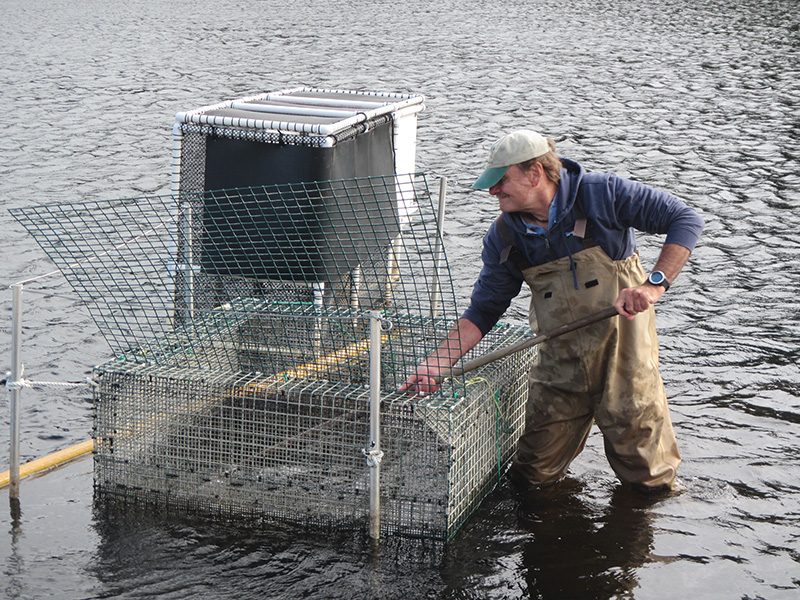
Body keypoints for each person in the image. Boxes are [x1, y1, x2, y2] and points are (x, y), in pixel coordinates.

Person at [400, 130, 703, 494]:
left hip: (624, 356)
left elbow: (685, 219)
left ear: (535, 173)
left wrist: (654, 284)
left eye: (501, 181)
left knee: (648, 476)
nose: (493, 191)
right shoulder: (504, 237)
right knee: (532, 476)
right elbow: (483, 310)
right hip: (560, 361)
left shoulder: (601, 194)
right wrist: (436, 365)